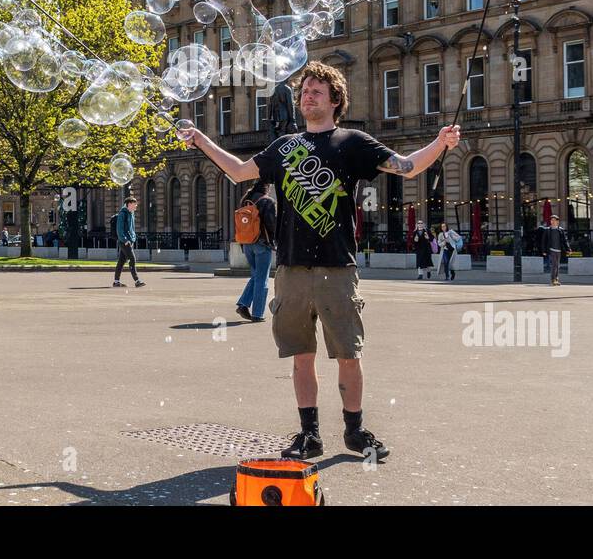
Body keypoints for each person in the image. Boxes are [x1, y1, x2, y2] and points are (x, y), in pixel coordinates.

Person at [182, 60, 461, 461]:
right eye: (304, 91)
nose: (307, 96)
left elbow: (407, 167)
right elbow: (241, 172)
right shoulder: (284, 147)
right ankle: (308, 433)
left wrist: (441, 142)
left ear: (335, 100)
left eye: (316, 91)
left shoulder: (352, 142)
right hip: (291, 267)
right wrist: (203, 141)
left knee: (349, 353)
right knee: (301, 355)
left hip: (337, 266)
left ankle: (355, 430)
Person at [236, 181, 277, 321]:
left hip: (247, 243)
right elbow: (272, 225)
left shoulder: (245, 201)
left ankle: (243, 304)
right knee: (262, 279)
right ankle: (257, 314)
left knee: (256, 276)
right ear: (267, 187)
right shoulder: (267, 201)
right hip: (261, 244)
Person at [112, 196, 144, 288]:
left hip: (129, 240)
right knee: (132, 259)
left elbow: (131, 228)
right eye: (134, 204)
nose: (136, 206)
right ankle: (137, 280)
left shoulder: (131, 213)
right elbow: (119, 229)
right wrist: (125, 240)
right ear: (129, 204)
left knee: (121, 261)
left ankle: (116, 281)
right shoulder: (123, 214)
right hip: (125, 241)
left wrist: (133, 238)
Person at [541, 215, 569, 286]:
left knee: (557, 265)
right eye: (551, 220)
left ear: (557, 221)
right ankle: (553, 279)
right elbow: (544, 241)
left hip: (559, 250)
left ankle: (556, 279)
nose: (552, 222)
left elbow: (565, 240)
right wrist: (544, 250)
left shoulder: (561, 230)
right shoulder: (547, 230)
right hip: (551, 250)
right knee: (554, 265)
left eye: (554, 220)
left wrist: (568, 249)